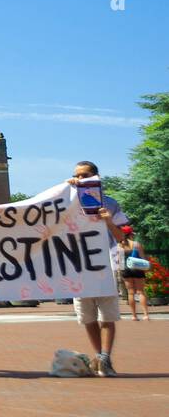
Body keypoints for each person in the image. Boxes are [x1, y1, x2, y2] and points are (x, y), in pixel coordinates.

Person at [67, 161, 130, 376]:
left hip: (106, 266)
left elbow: (122, 238)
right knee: (88, 318)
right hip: (80, 267)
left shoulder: (110, 203)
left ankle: (105, 356)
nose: (81, 179)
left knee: (107, 316)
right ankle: (100, 356)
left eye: (85, 175)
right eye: (77, 176)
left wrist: (109, 221)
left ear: (96, 177)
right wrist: (65, 189)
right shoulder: (68, 203)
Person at [119, 226, 149, 322]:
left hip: (126, 270)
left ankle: (134, 316)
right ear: (131, 234)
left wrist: (121, 272)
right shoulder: (136, 244)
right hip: (137, 269)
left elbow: (119, 262)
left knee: (130, 293)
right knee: (141, 291)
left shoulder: (119, 246)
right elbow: (143, 258)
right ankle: (145, 315)